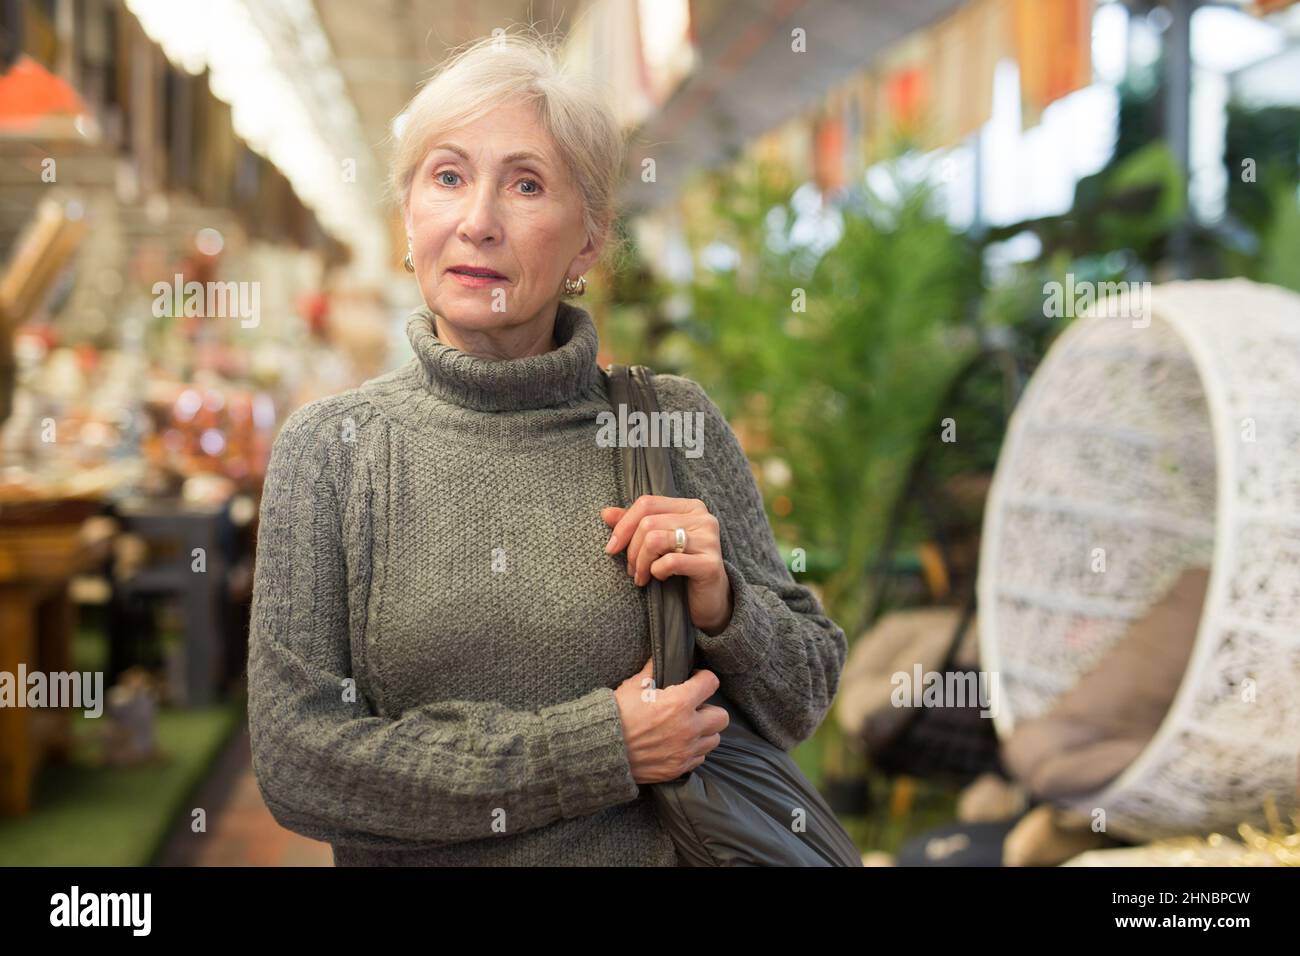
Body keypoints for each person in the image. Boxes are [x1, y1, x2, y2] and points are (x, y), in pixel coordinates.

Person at [245, 30, 847, 866]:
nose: (479, 222)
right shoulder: (334, 451)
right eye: (448, 177)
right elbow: (299, 763)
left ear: (589, 242)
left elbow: (804, 694)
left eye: (526, 185)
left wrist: (723, 605)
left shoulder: (669, 423)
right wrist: (600, 750)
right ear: (409, 216)